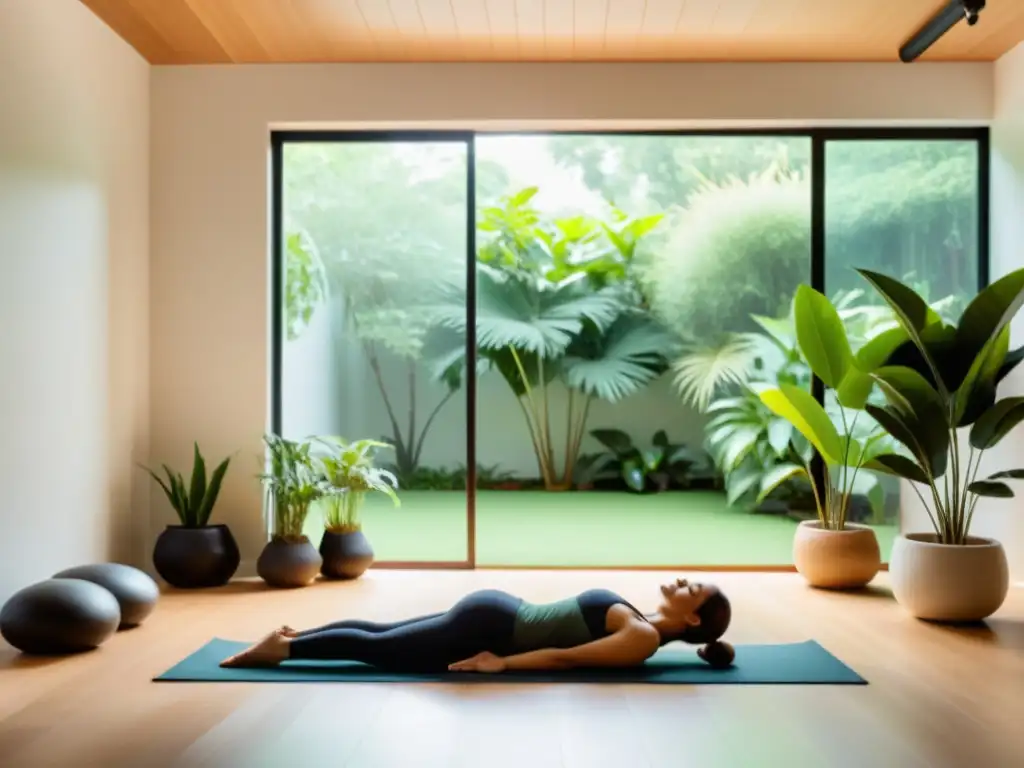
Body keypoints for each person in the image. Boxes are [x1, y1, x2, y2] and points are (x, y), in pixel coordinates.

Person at [220, 578, 732, 673]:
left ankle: (288, 643)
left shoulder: (641, 636)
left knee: (381, 635)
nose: (684, 580)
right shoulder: (639, 625)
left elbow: (568, 656)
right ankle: (280, 651)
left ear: (691, 619)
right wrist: (502, 660)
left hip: (493, 619)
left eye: (695, 589)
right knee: (381, 647)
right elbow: (565, 653)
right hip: (492, 622)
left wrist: (502, 662)